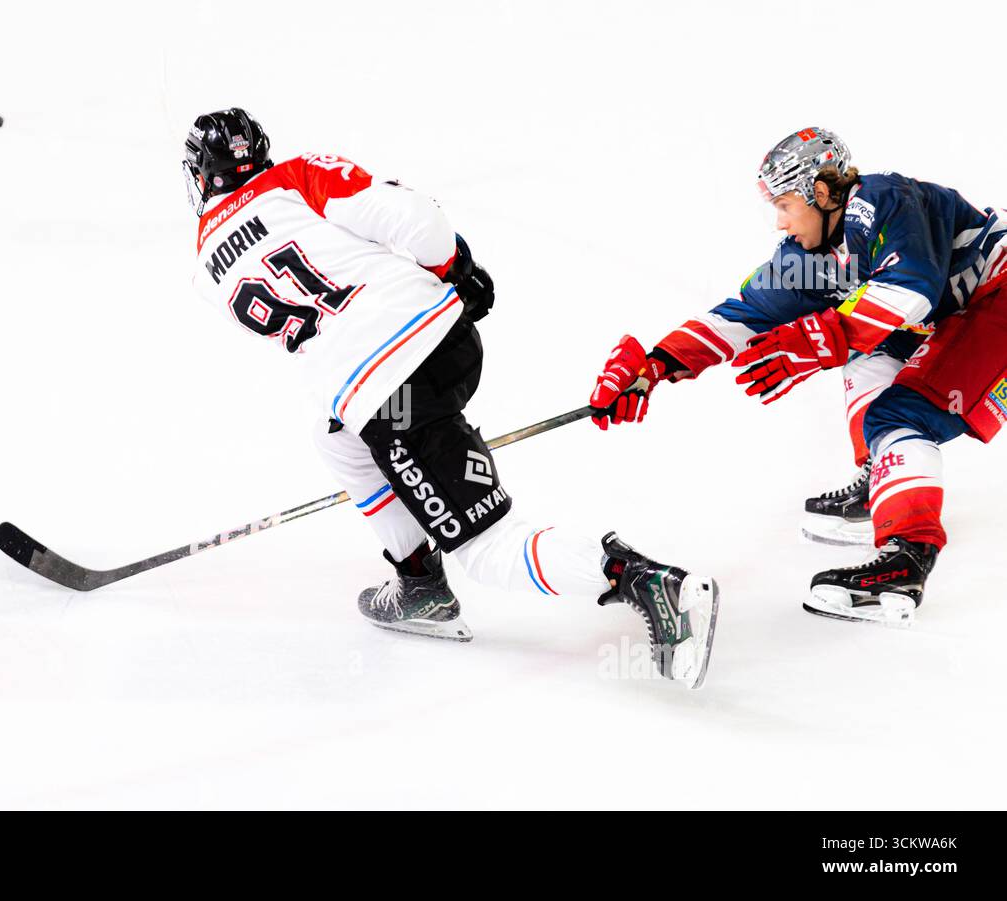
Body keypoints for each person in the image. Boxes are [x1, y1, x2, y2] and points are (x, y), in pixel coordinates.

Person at [183, 107, 718, 686]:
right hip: (443, 342)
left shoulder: (205, 267)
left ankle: (647, 582)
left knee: (489, 552)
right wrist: (458, 267)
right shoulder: (295, 176)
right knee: (335, 439)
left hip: (390, 392)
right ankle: (419, 582)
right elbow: (414, 218)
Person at [588, 127, 1007, 626]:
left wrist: (821, 337)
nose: (780, 222)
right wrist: (656, 363)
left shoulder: (883, 199)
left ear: (823, 192)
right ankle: (885, 477)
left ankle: (906, 560)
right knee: (867, 360)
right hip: (954, 310)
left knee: (904, 415)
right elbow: (743, 314)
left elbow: (911, 290)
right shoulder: (808, 257)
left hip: (995, 297)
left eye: (786, 204)